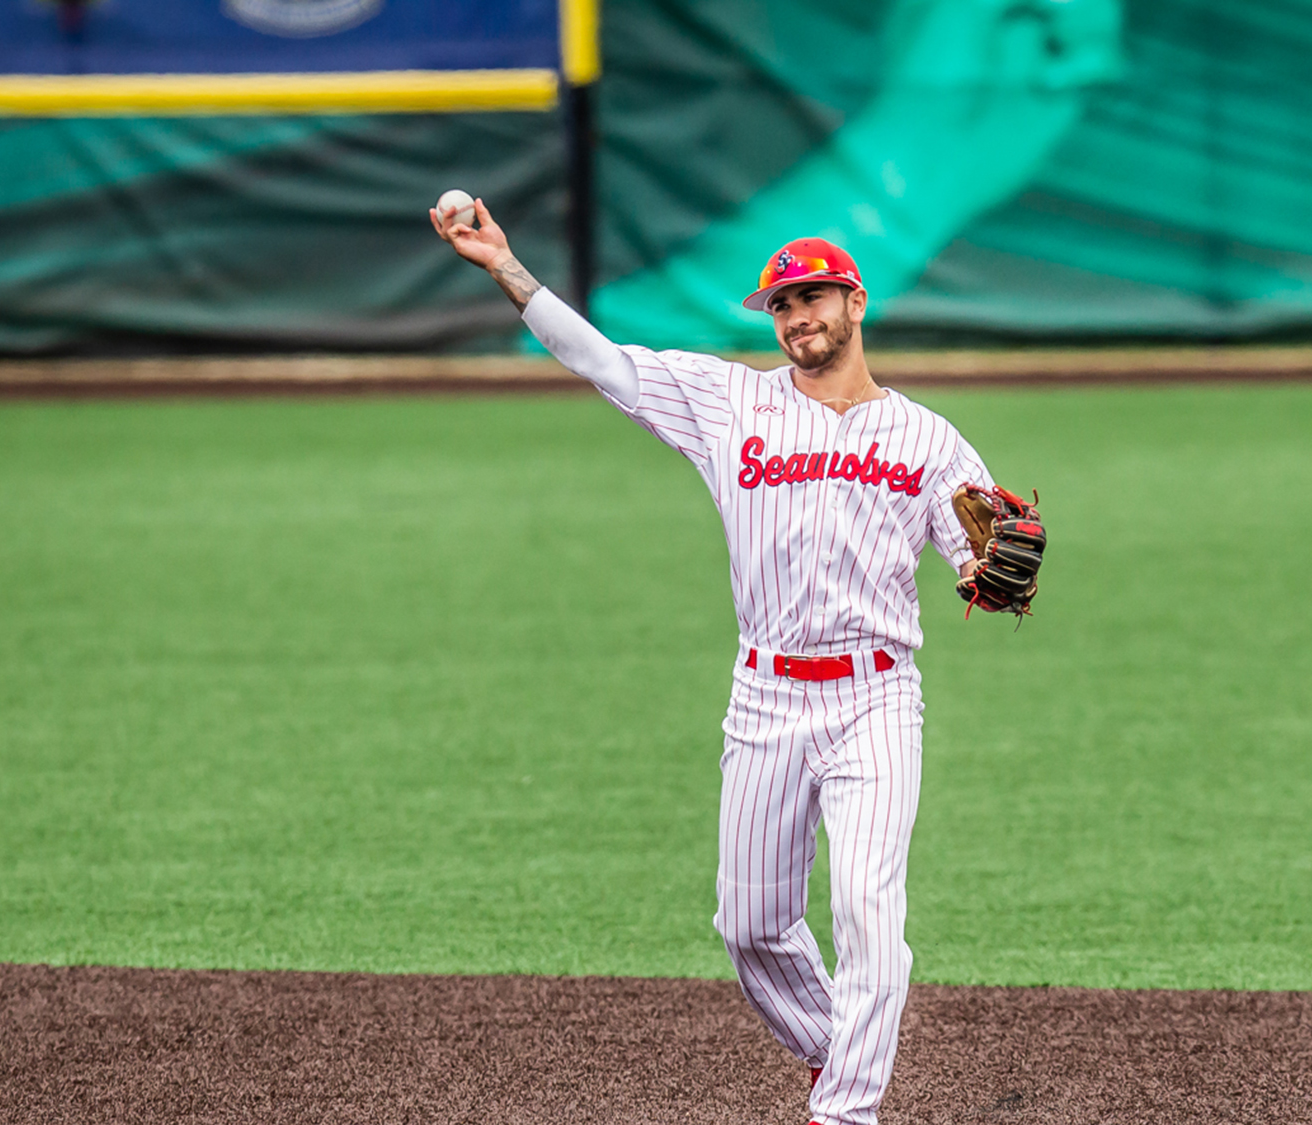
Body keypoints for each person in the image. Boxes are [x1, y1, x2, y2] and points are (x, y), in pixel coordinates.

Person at [432, 198, 1042, 1125]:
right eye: (782, 306)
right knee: (751, 925)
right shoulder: (731, 402)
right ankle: (833, 1049)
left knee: (871, 914)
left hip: (877, 699)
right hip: (763, 697)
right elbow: (604, 361)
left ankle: (845, 1111)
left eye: (813, 299)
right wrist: (506, 268)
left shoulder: (927, 438)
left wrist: (989, 571)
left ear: (856, 301)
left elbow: (982, 559)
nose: (798, 319)